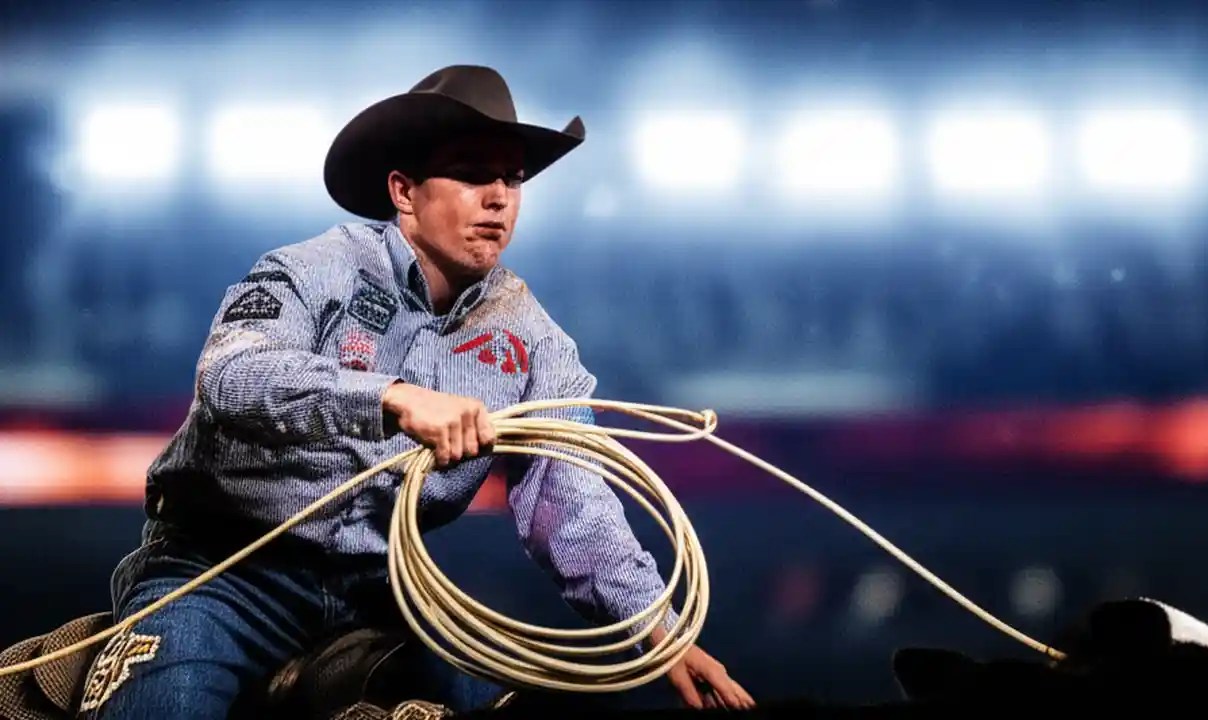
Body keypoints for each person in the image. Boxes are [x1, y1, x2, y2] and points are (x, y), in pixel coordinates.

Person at [77, 65, 754, 719]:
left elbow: (569, 496)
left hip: (384, 590)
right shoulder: (311, 271)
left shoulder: (534, 340)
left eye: (512, 178)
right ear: (404, 192)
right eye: (471, 172)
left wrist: (658, 633)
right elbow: (234, 375)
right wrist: (391, 397)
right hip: (223, 572)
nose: (498, 197)